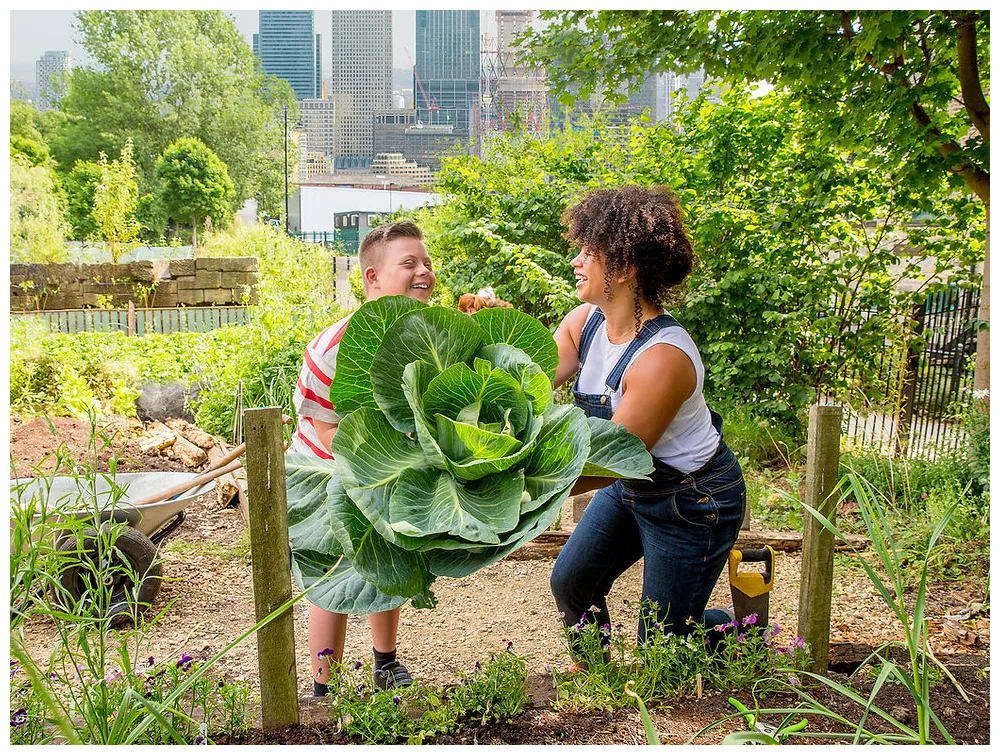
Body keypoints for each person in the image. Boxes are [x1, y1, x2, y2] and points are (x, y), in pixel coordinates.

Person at [548, 185, 746, 649]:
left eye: (587, 252)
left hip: (692, 501)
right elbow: (529, 387)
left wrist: (521, 491)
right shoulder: (584, 323)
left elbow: (610, 460)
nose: (576, 261)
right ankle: (596, 676)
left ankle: (741, 629)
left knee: (663, 643)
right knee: (571, 582)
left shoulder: (663, 358)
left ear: (626, 267)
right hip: (632, 487)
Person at [290, 220, 436, 694]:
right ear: (372, 278)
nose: (424, 273)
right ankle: (322, 686)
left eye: (427, 263)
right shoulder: (336, 345)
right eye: (409, 263)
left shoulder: (424, 334)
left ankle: (385, 662)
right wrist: (378, 467)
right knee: (331, 577)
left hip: (388, 468)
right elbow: (328, 430)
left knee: (387, 564)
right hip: (325, 474)